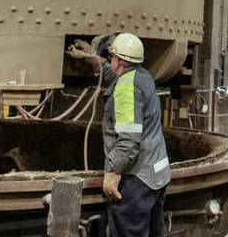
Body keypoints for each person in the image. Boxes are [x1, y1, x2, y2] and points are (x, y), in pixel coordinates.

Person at [71, 32, 170, 237]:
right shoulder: (143, 76)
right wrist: (93, 57)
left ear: (116, 60)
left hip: (137, 179)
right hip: (157, 174)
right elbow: (115, 75)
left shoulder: (126, 89)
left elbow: (128, 141)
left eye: (111, 57)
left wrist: (113, 172)